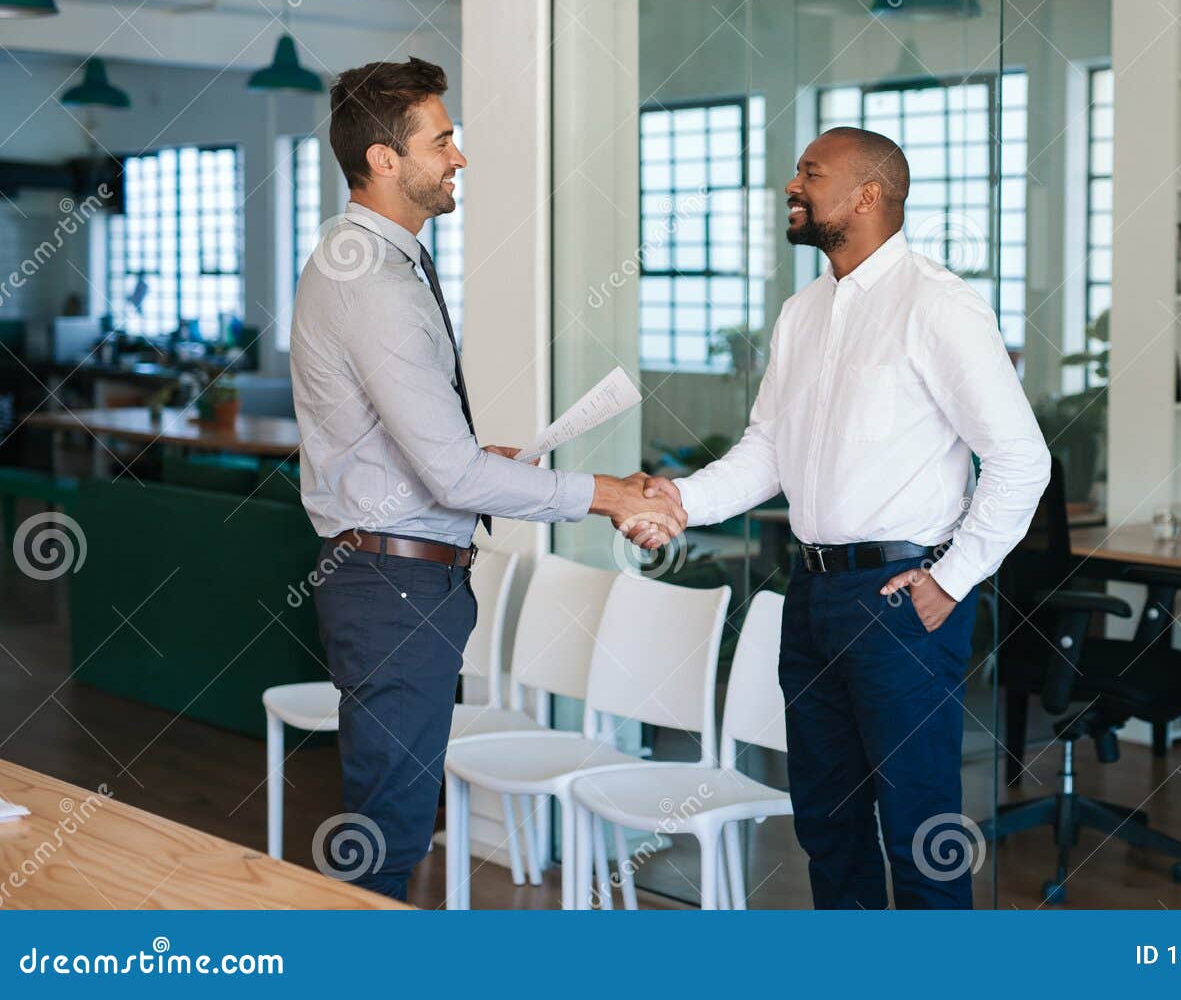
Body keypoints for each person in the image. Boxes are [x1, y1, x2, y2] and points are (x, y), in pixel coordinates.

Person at [289, 57, 682, 901]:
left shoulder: (369, 260)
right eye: (442, 139)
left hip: (395, 579)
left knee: (388, 821)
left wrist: (479, 459)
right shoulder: (376, 281)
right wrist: (608, 495)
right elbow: (446, 473)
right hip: (393, 587)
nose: (458, 156)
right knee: (389, 839)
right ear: (384, 160)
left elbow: (420, 451)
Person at [645, 127, 1050, 909]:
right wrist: (679, 502)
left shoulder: (937, 305)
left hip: (902, 600)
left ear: (866, 195)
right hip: (814, 598)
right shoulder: (803, 313)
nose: (792, 186)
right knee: (827, 827)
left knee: (917, 830)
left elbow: (1021, 460)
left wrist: (951, 580)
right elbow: (767, 451)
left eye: (810, 173)